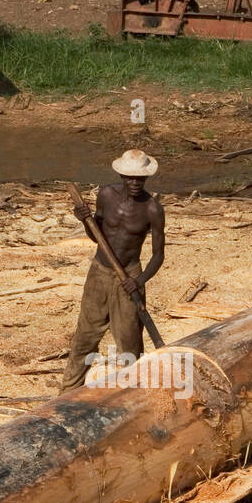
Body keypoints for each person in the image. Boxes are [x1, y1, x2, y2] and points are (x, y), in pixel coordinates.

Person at [60, 148, 166, 391]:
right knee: (84, 339)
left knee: (129, 346)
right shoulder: (106, 195)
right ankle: (66, 395)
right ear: (122, 176)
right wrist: (85, 220)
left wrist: (138, 281)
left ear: (146, 178)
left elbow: (158, 255)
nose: (135, 183)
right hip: (99, 272)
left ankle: (133, 398)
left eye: (139, 178)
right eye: (130, 177)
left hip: (128, 276)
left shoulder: (153, 209)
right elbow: (97, 237)